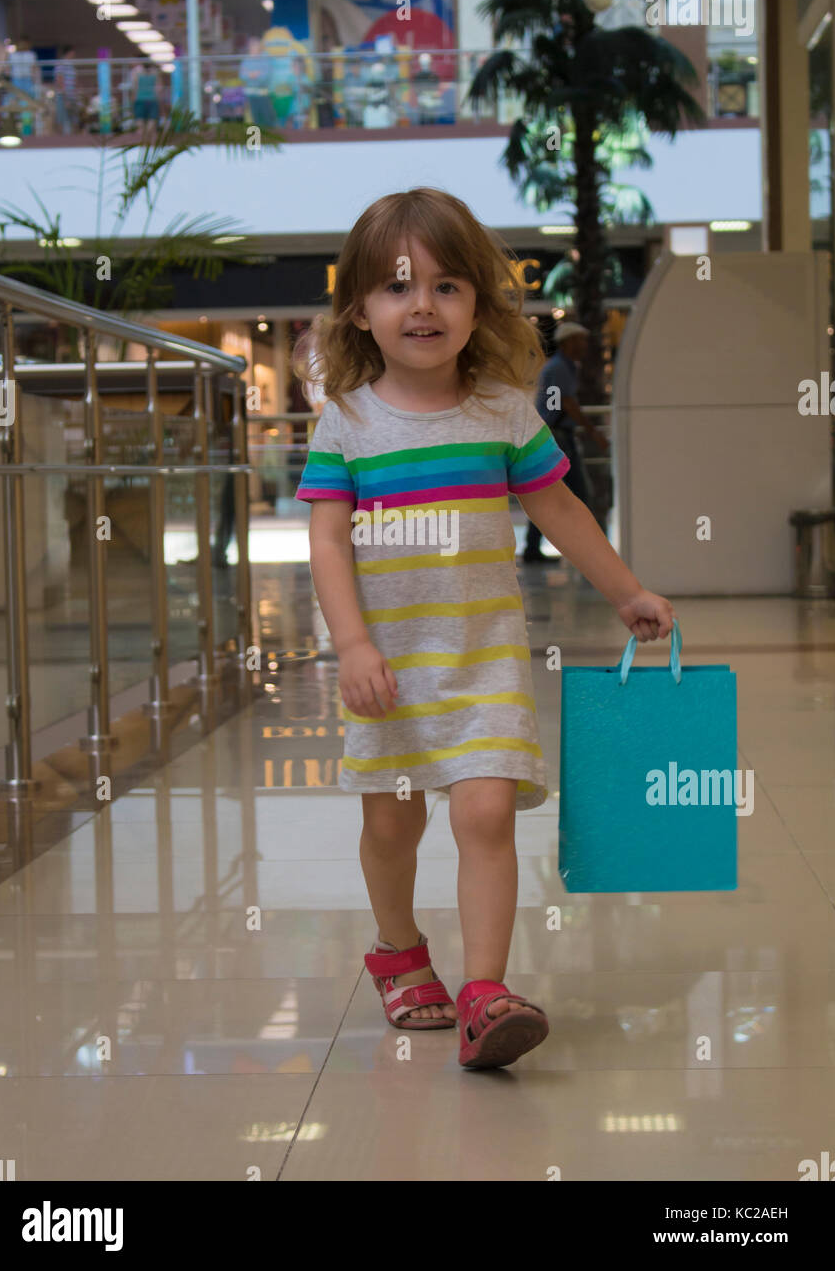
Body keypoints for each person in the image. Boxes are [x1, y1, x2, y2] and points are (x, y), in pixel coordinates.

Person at [293, 187, 675, 1070]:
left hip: (482, 662)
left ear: (480, 304)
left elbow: (560, 506)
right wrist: (351, 644)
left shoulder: (502, 409)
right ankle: (397, 950)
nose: (422, 306)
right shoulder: (347, 422)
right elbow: (325, 538)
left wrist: (625, 591)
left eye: (447, 286)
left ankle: (484, 991)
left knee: (487, 813)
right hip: (385, 668)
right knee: (392, 826)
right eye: (397, 288)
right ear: (360, 308)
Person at [521, 320, 609, 562]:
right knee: (577, 494)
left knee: (550, 495)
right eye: (581, 340)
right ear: (568, 342)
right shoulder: (560, 368)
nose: (585, 345)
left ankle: (534, 548)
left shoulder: (565, 366)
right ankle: (587, 551)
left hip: (556, 435)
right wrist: (594, 433)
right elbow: (567, 404)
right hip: (559, 437)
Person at [130, 61, 161, 136]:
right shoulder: (155, 73)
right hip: (152, 98)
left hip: (140, 98)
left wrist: (133, 97)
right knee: (152, 117)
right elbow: (159, 87)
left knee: (139, 117)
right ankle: (148, 133)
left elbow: (134, 86)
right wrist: (158, 97)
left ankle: (141, 134)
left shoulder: (136, 73)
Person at [53, 44, 78, 134]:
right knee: (62, 116)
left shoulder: (71, 65)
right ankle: (61, 138)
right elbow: (59, 80)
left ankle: (74, 136)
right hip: (63, 94)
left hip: (72, 94)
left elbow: (74, 80)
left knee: (74, 117)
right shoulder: (61, 64)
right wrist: (64, 95)